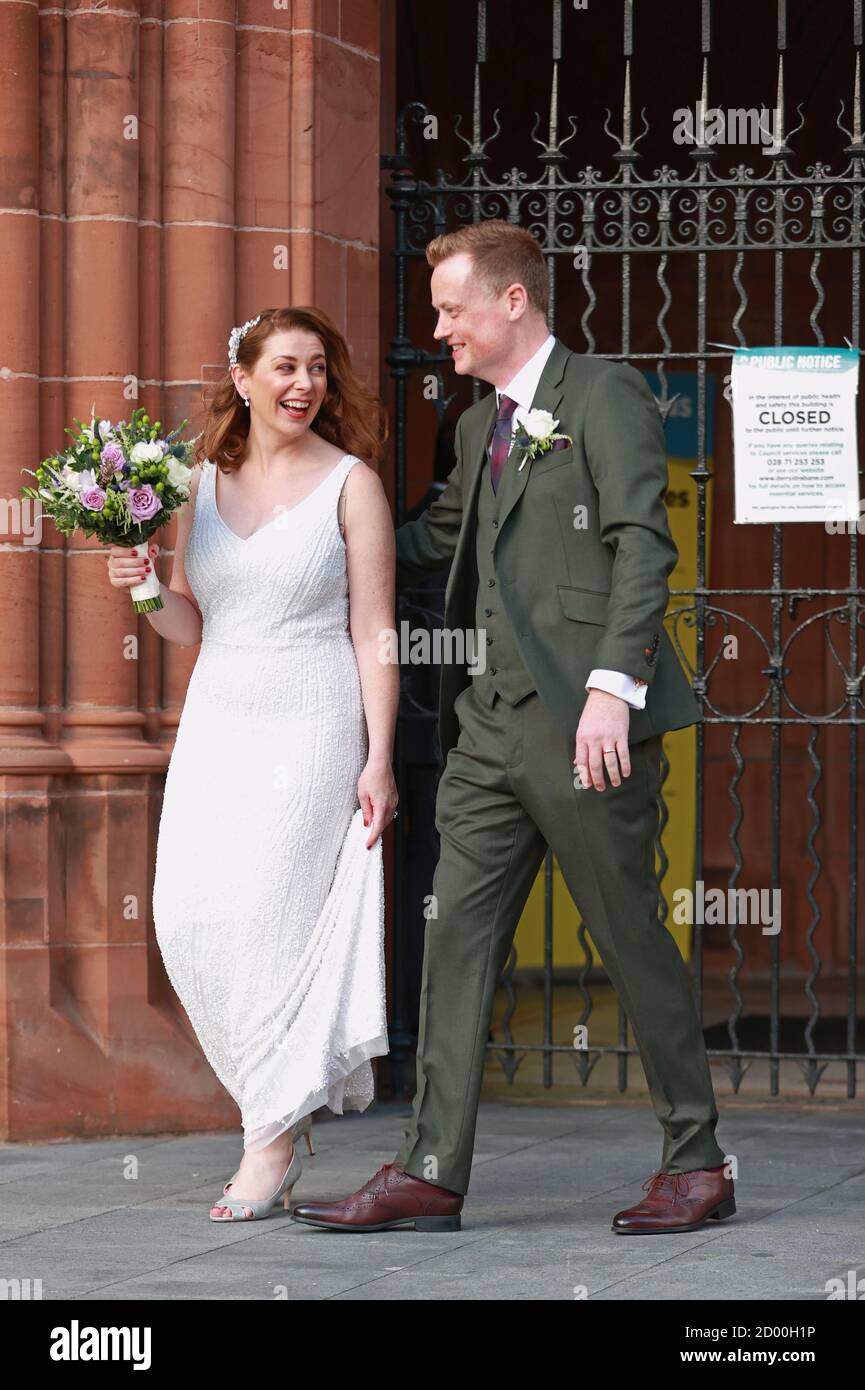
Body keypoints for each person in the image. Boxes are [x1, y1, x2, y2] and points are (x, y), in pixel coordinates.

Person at [290, 220, 734, 1237]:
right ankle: (430, 1168)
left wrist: (611, 687)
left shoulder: (604, 394)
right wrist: (305, 528)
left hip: (585, 720)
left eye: (451, 308)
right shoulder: (473, 427)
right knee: (456, 938)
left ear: (511, 303)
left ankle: (696, 1158)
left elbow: (640, 544)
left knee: (627, 934)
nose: (439, 327)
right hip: (486, 729)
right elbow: (433, 538)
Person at [107, 306, 398, 1221]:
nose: (303, 384)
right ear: (243, 379)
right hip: (219, 718)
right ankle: (274, 1103)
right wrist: (145, 582)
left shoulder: (353, 486)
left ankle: (266, 1139)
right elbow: (192, 625)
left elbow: (375, 631)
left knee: (271, 920)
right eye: (284, 367)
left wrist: (379, 756)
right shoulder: (196, 481)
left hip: (312, 722)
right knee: (188, 918)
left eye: (316, 368)